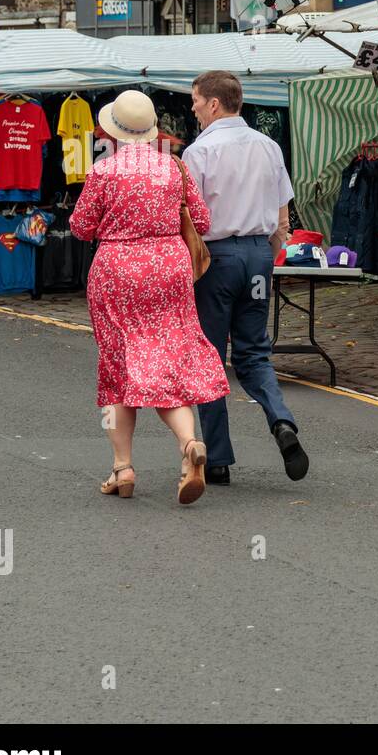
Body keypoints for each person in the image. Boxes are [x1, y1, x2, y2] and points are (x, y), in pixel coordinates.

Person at [70, 90, 229, 506]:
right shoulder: (172, 167)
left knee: (120, 366)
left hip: (118, 270)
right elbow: (203, 221)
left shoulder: (104, 172)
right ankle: (189, 443)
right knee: (168, 361)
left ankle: (123, 468)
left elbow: (81, 227)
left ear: (112, 130)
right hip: (169, 268)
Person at [183, 70, 308, 484]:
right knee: (254, 352)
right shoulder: (269, 146)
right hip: (257, 254)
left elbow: (190, 222)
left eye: (197, 101)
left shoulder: (198, 153)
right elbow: (282, 217)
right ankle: (281, 421)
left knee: (210, 357)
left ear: (214, 103)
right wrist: (267, 258)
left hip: (215, 257)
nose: (194, 108)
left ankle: (218, 459)